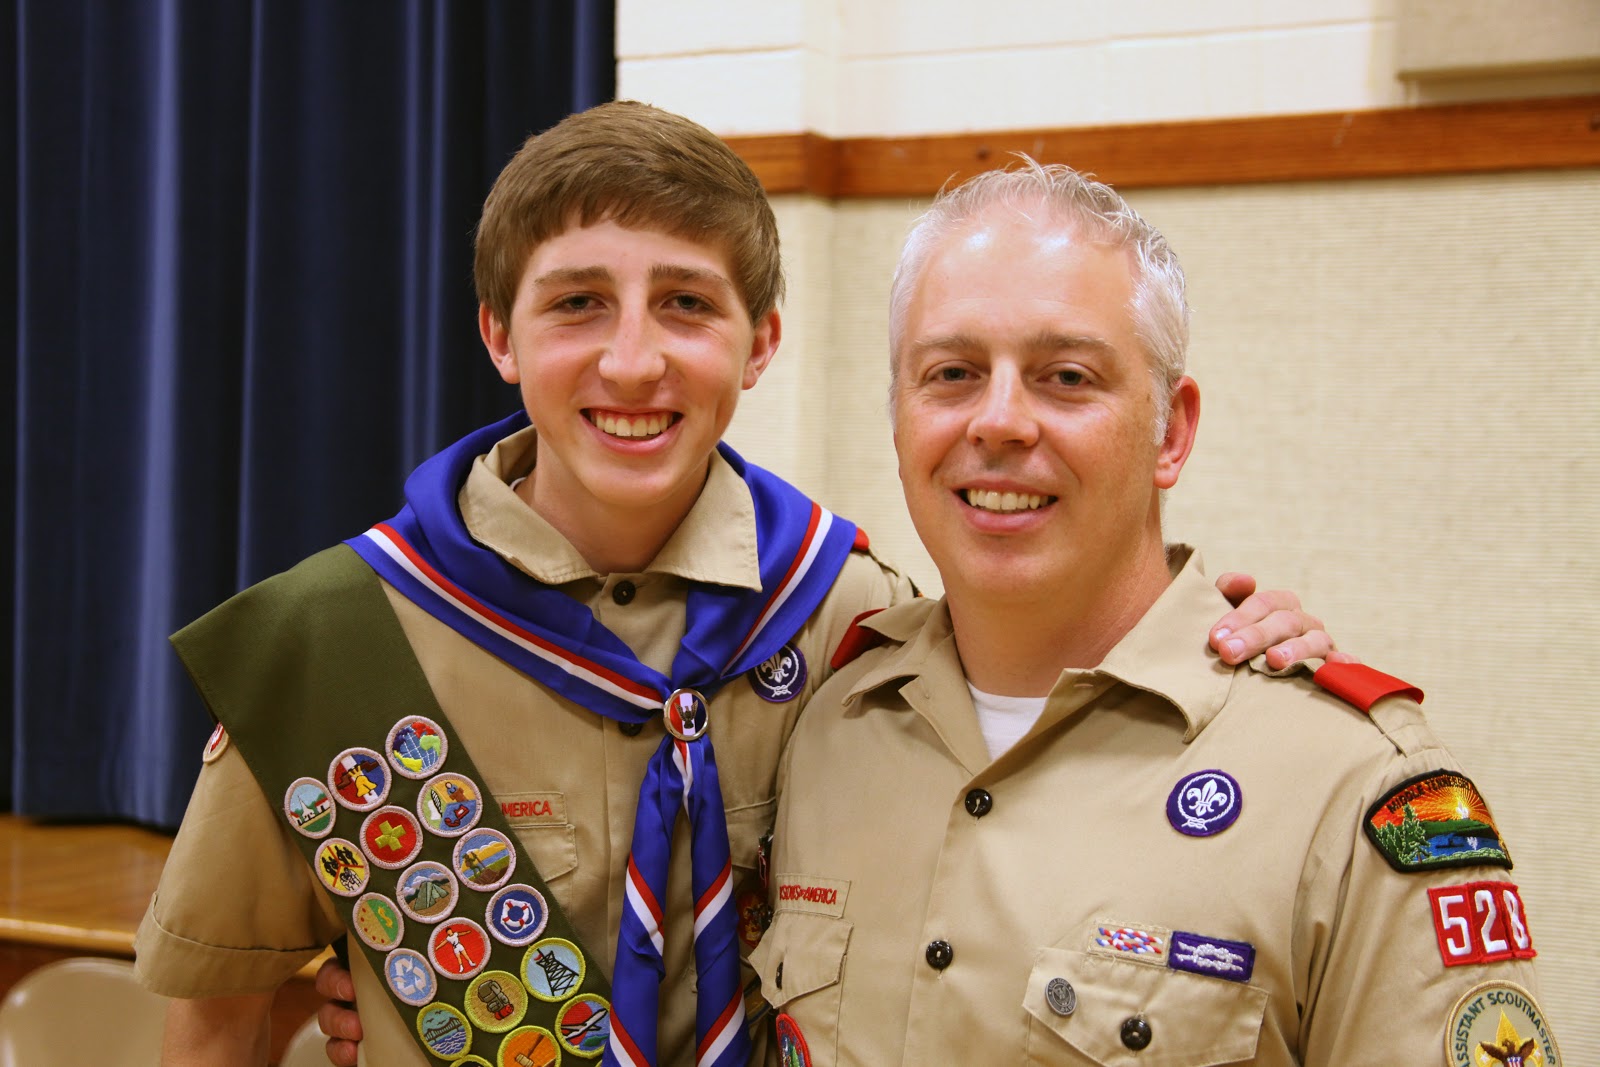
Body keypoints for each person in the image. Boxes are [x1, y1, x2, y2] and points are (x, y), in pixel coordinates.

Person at [134, 103, 1338, 1067]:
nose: (632, 359)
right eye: (576, 305)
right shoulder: (332, 643)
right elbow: (220, 1024)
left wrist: (1221, 643)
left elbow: (1047, 684)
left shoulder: (846, 615)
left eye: (687, 305)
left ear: (761, 343)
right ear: (499, 335)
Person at [752, 160, 1558, 1065]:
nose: (1001, 421)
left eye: (1065, 376)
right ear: (899, 415)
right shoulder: (826, 730)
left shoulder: (1349, 788)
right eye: (952, 372)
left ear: (1170, 431)